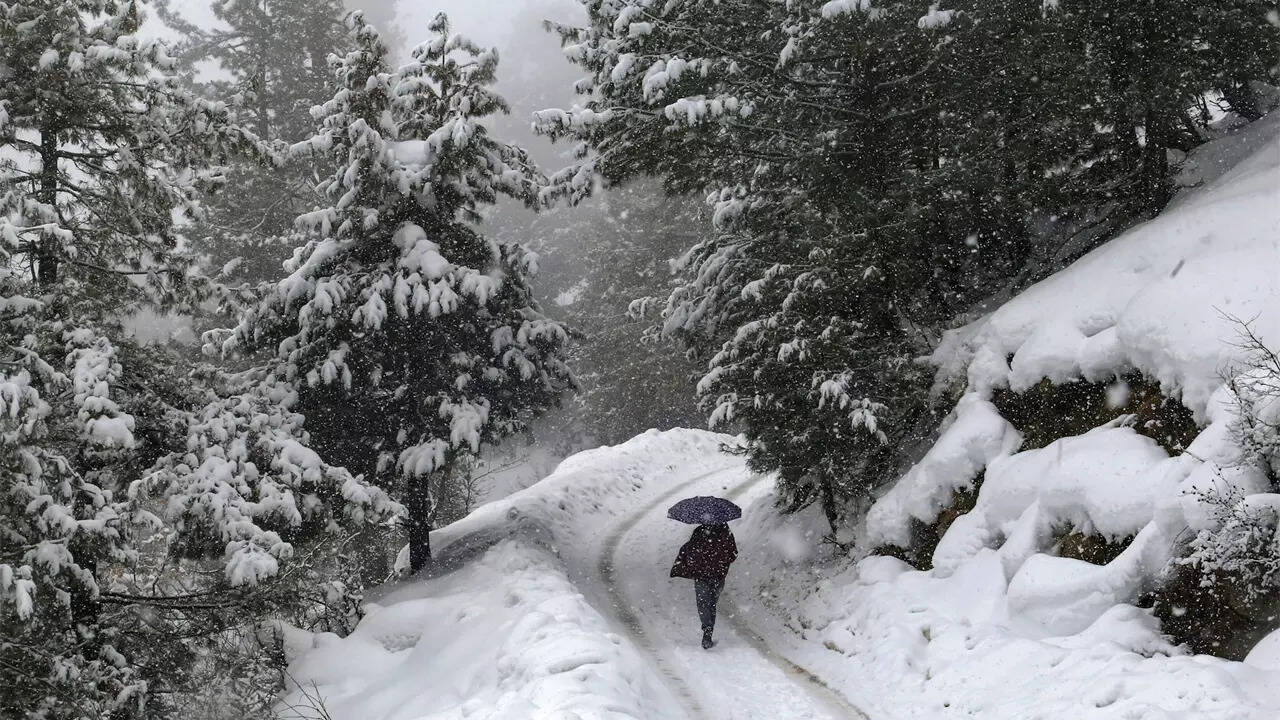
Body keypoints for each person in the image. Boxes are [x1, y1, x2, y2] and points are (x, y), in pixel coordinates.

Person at [670, 523, 738, 649]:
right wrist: (721, 561)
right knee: (711, 603)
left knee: (703, 604)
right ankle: (708, 631)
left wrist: (695, 563)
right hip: (718, 575)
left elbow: (690, 550)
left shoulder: (699, 531)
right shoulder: (726, 532)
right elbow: (733, 554)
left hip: (702, 575)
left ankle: (707, 630)